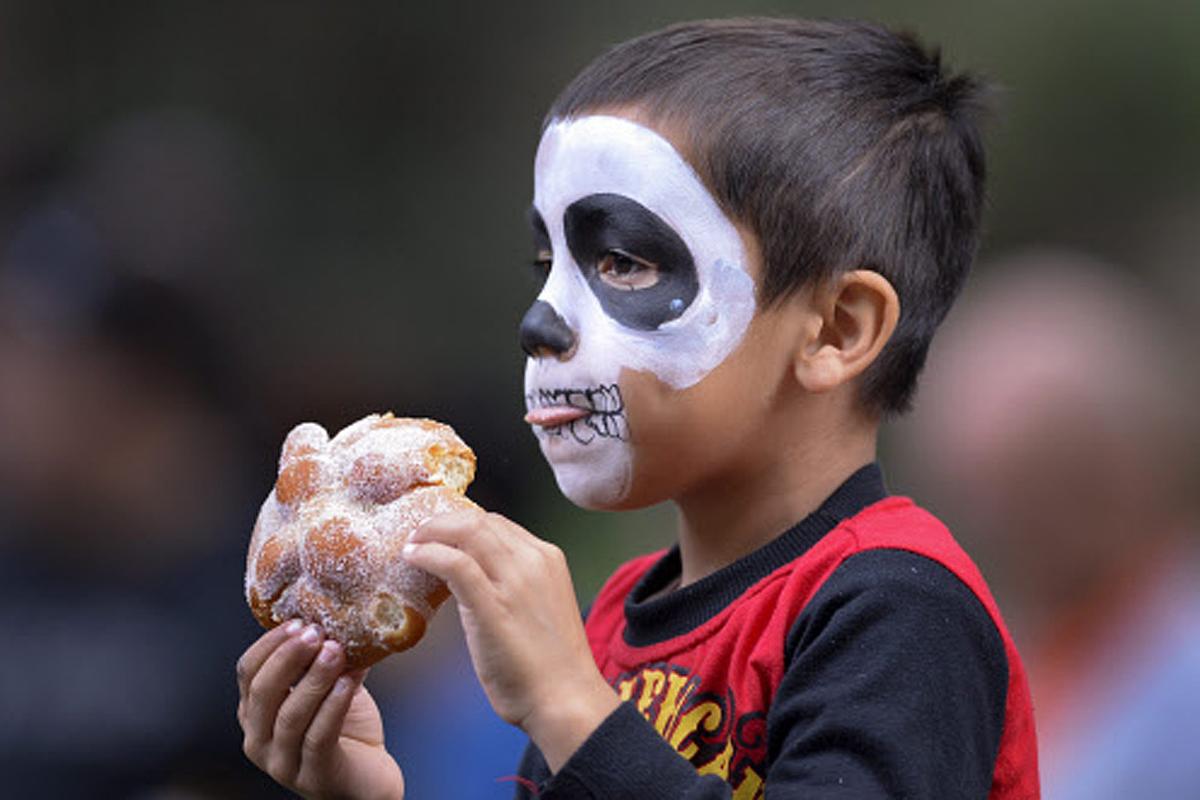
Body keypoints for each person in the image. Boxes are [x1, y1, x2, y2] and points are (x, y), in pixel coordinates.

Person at [235, 18, 1039, 799]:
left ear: (836, 330)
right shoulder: (611, 623)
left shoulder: (900, 608)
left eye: (621, 260)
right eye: (547, 263)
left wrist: (571, 709)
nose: (540, 320)